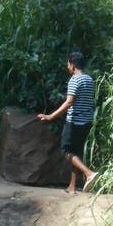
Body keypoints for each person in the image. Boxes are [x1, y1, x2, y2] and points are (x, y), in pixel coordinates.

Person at [38, 51, 99, 195]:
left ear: (72, 65)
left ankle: (89, 173)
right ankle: (72, 187)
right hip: (87, 122)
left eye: (68, 63)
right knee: (75, 153)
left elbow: (69, 102)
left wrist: (50, 116)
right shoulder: (89, 79)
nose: (67, 66)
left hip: (74, 122)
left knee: (66, 151)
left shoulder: (74, 80)